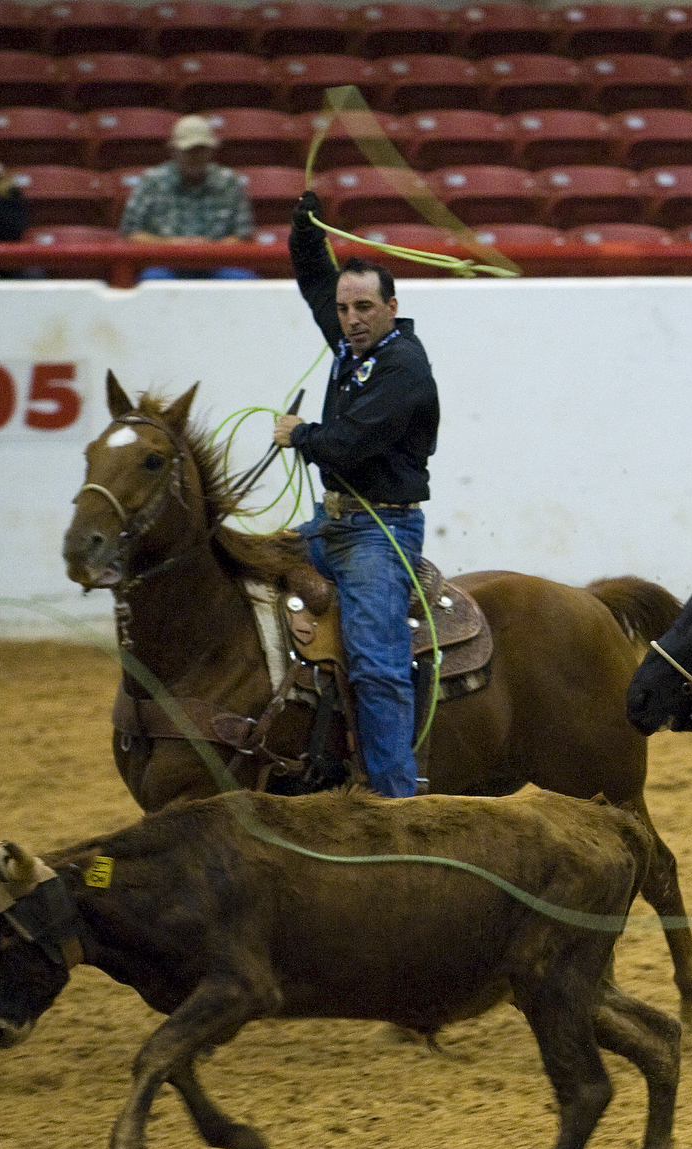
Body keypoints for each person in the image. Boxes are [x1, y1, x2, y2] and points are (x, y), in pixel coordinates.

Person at [271, 188, 439, 799]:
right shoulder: (354, 344)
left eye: (364, 308)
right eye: (345, 310)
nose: (350, 319)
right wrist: (304, 231)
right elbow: (315, 279)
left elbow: (350, 444)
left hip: (381, 531)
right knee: (253, 568)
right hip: (337, 522)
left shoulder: (404, 369)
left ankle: (396, 801)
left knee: (377, 665)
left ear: (391, 307)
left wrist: (300, 434)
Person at [117, 113, 256, 280]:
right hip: (165, 263)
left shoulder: (228, 182)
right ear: (174, 151)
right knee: (155, 280)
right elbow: (131, 233)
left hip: (218, 263)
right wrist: (171, 246)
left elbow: (244, 235)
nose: (196, 156)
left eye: (202, 150)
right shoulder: (152, 181)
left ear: (211, 151)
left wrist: (211, 249)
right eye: (189, 150)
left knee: (241, 279)